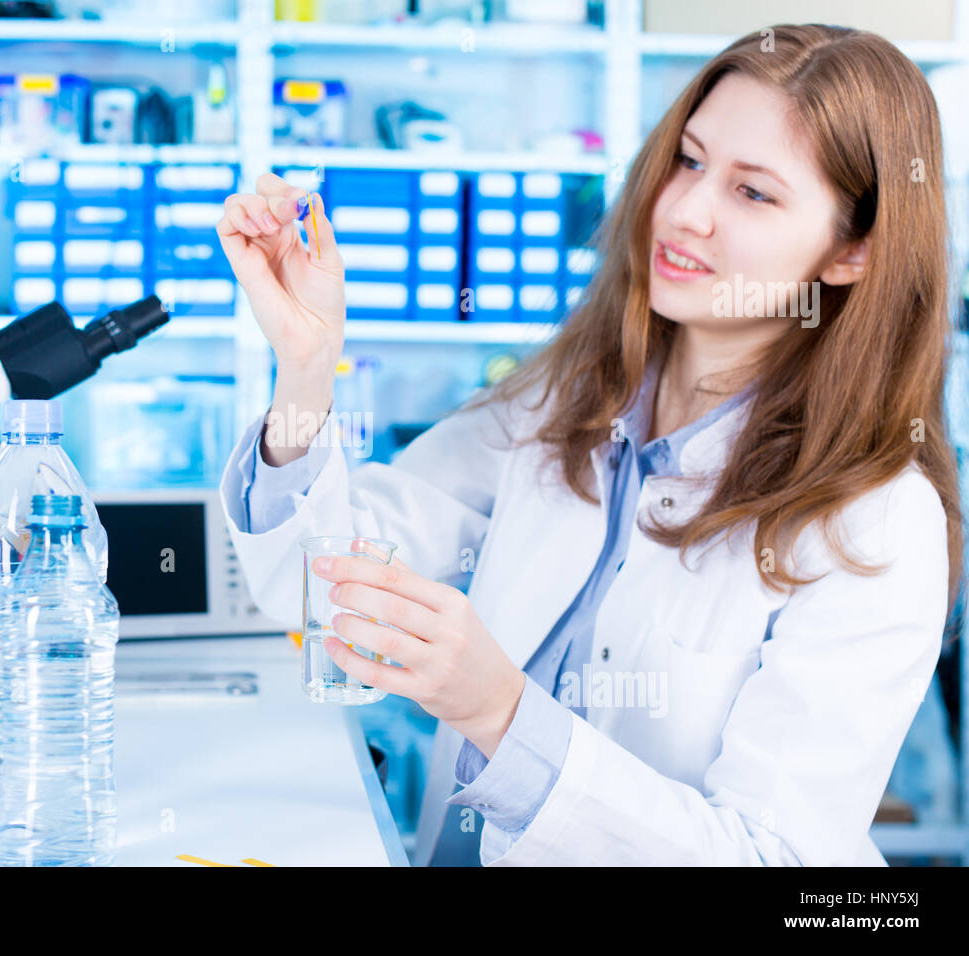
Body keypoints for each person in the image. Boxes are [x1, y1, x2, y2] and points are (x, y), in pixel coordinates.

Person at [214, 23, 962, 866]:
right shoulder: (560, 404)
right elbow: (317, 586)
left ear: (853, 251)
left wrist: (500, 714)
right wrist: (307, 370)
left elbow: (776, 862)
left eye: (753, 193)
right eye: (688, 159)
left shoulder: (877, 520)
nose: (684, 211)